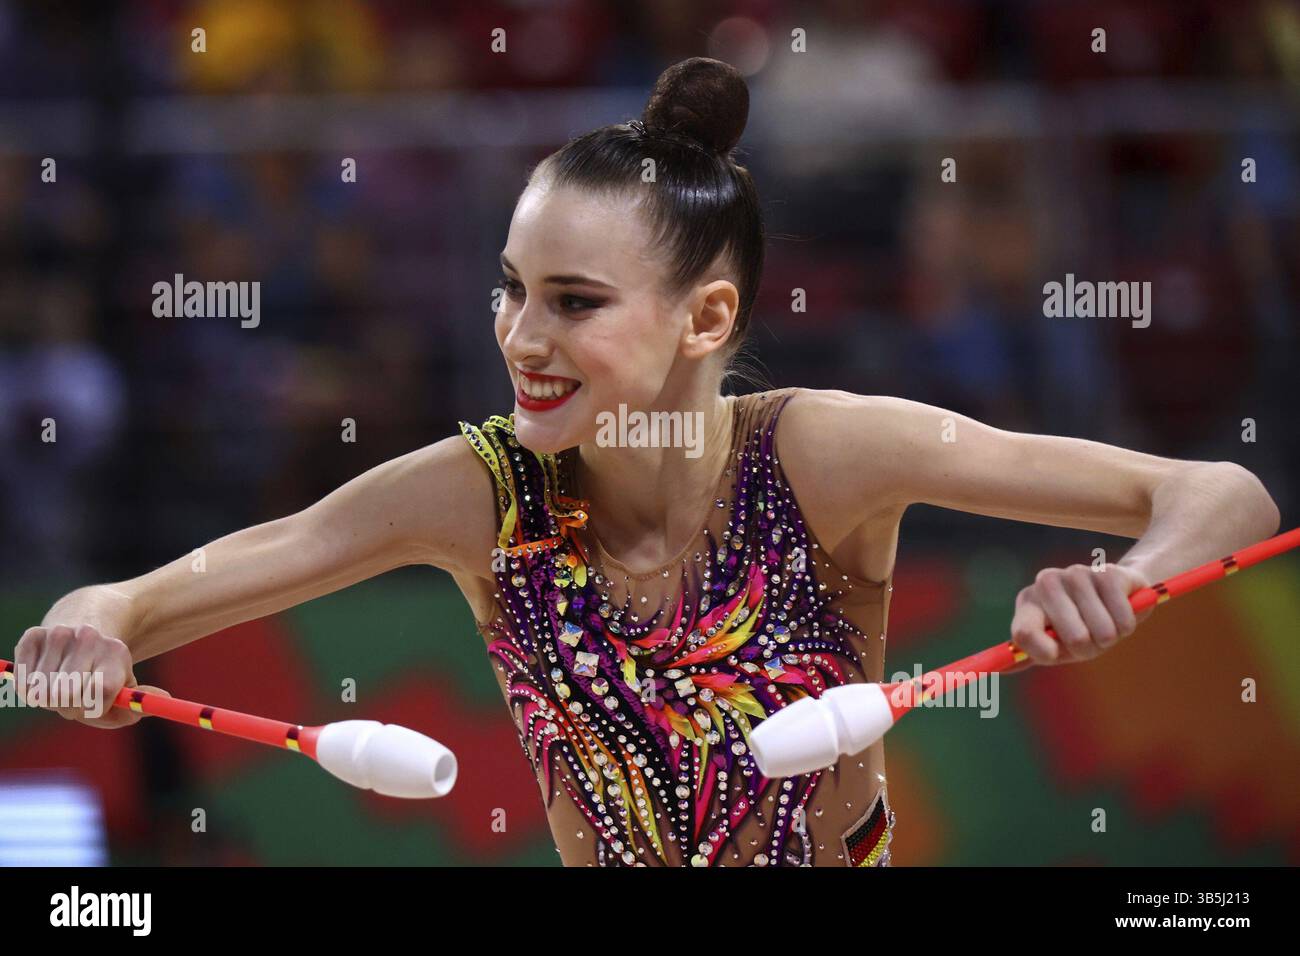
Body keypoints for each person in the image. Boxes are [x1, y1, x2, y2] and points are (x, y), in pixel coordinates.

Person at [13, 58, 1280, 867]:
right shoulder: (482, 491)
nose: (520, 337)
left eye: (573, 301)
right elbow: (181, 584)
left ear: (706, 320)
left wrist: (1131, 586)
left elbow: (1220, 492)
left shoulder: (820, 455)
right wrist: (90, 623)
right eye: (511, 291)